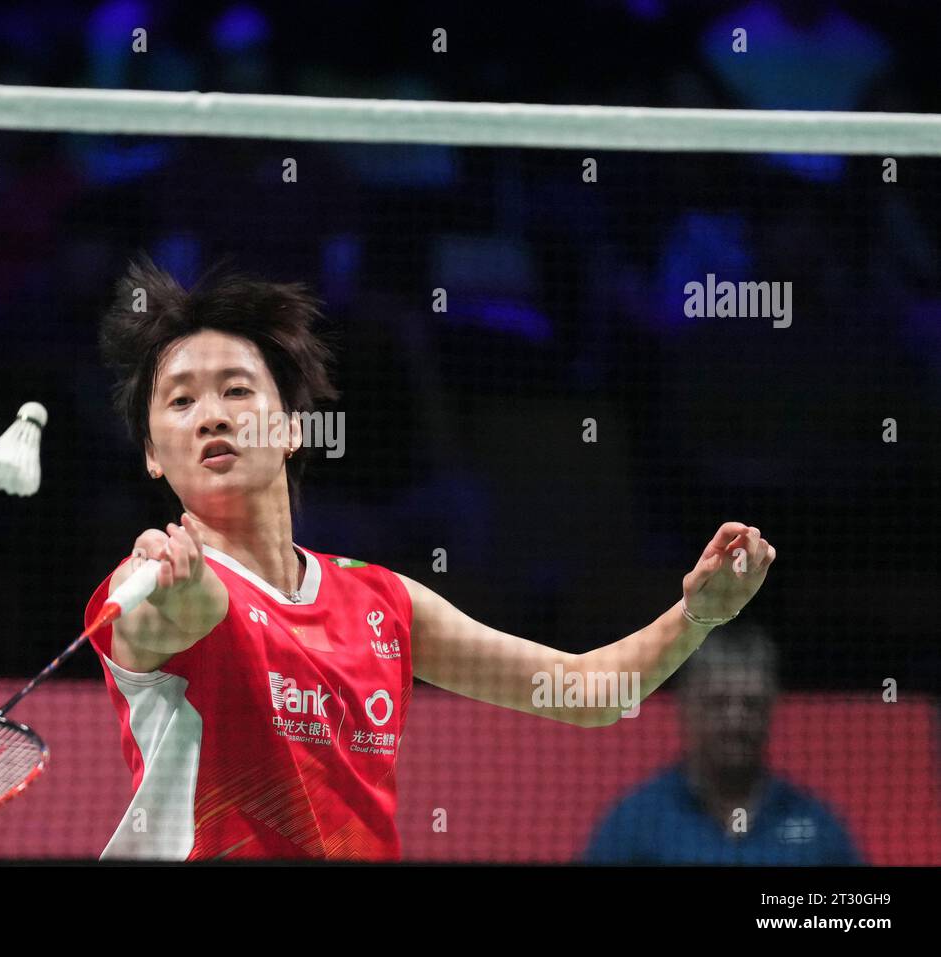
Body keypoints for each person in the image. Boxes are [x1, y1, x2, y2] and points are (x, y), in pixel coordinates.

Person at [83, 256, 777, 860]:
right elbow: (186, 612)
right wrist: (173, 589)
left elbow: (586, 692)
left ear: (292, 426)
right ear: (150, 453)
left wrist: (697, 615)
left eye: (237, 389)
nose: (211, 414)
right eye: (179, 400)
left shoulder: (383, 602)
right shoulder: (147, 582)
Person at [584, 623, 861, 864]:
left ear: (771, 708)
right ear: (685, 708)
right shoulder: (635, 824)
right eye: (718, 703)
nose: (734, 722)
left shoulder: (817, 827)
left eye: (751, 704)